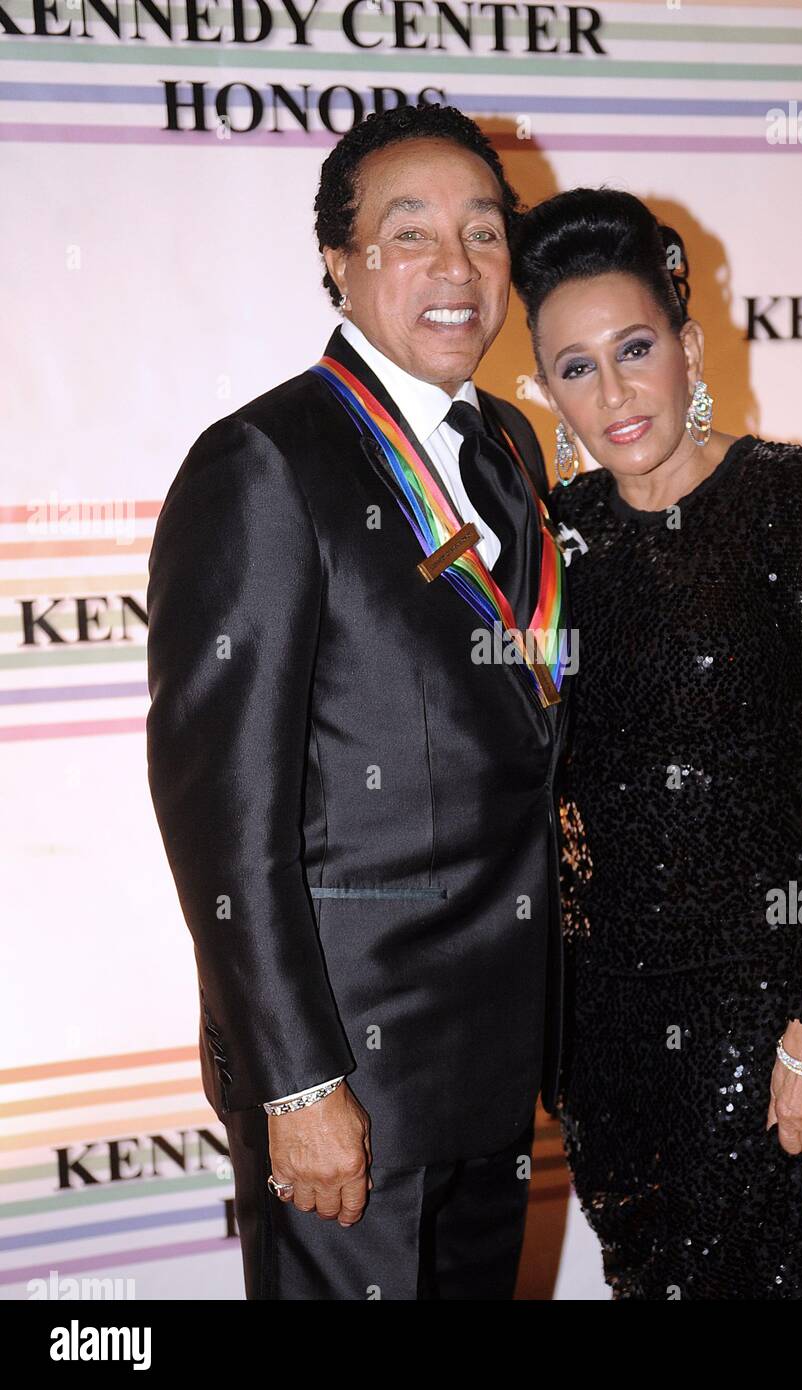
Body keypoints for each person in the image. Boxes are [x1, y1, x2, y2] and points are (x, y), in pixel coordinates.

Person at [146, 103, 573, 1301]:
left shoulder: (511, 447)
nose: (457, 268)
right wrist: (296, 1083)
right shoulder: (265, 465)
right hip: (351, 1073)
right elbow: (221, 819)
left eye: (484, 234)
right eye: (411, 232)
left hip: (494, 1058)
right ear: (338, 261)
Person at [509, 187, 802, 1299]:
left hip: (753, 1005)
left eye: (634, 348)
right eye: (575, 366)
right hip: (602, 1029)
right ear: (545, 389)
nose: (614, 391)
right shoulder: (558, 540)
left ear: (685, 343)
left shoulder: (792, 497)